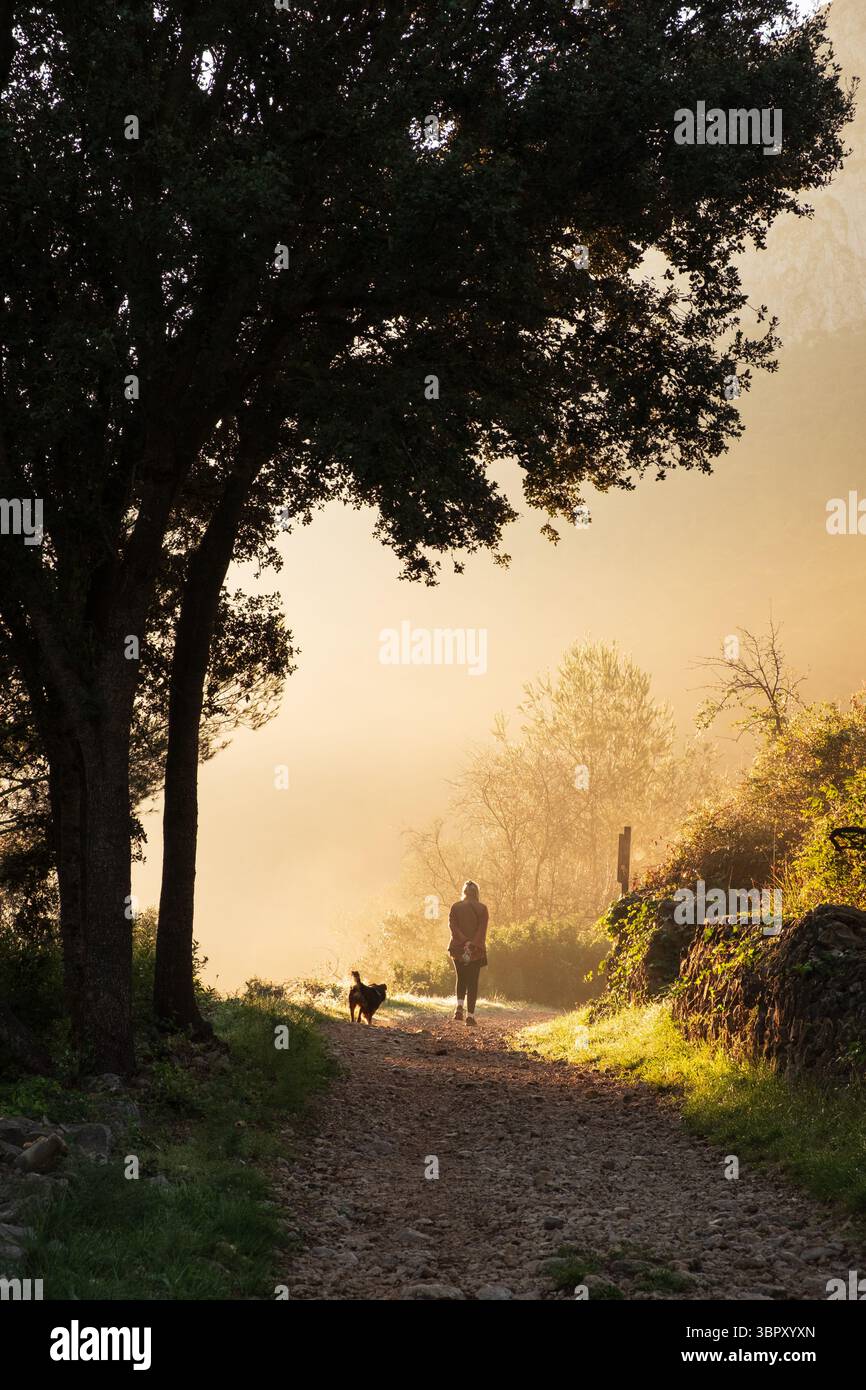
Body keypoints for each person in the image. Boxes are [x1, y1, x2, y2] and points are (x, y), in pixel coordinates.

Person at [448, 880, 489, 1026]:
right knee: (472, 983)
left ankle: (459, 1007)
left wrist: (463, 941)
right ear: (476, 892)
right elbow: (482, 930)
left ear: (464, 892)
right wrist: (472, 944)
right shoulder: (482, 909)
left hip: (458, 948)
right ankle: (470, 1017)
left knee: (461, 978)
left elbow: (453, 926)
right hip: (475, 950)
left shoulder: (455, 907)